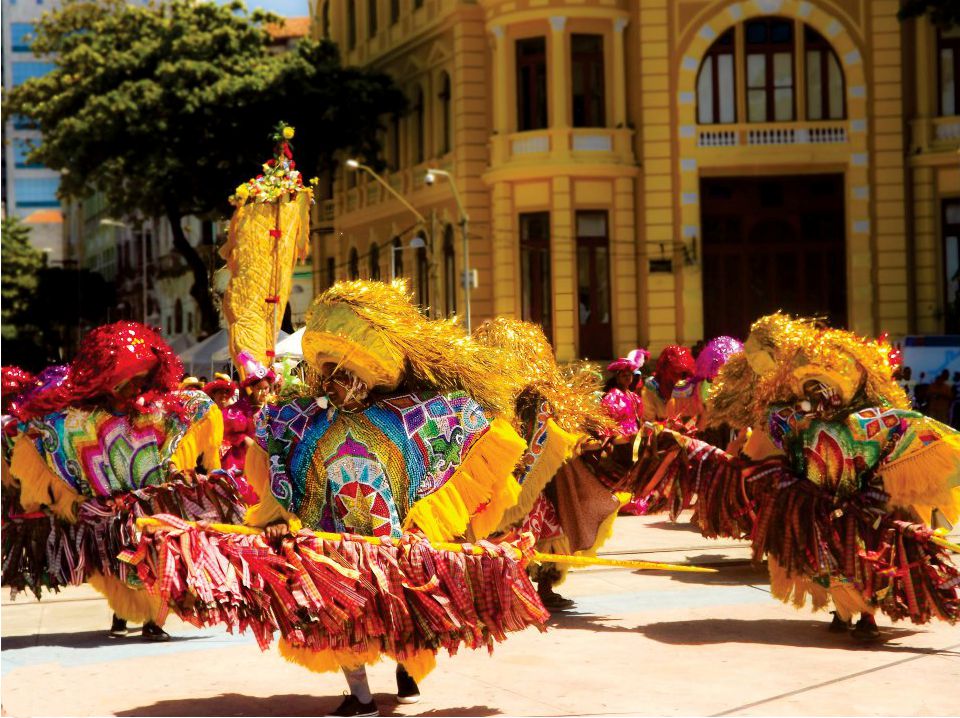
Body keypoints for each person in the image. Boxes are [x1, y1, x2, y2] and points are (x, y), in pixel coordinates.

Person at [238, 280, 535, 717]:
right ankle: (360, 700)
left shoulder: (405, 417)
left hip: (393, 546)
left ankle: (407, 673)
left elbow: (470, 424)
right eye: (329, 372)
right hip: (334, 551)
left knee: (403, 619)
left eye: (344, 373)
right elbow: (282, 475)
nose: (332, 382)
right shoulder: (305, 424)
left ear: (365, 377)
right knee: (341, 624)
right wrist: (279, 521)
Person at [641, 314, 960, 641]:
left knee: (864, 556)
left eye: (824, 388)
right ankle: (845, 611)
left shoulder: (865, 421)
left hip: (861, 505)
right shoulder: (783, 418)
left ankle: (865, 617)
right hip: (818, 506)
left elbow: (913, 435)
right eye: (813, 389)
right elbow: (754, 459)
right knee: (831, 561)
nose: (820, 396)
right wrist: (699, 452)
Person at [7, 322, 243, 640]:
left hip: (152, 508)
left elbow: (197, 410)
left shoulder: (158, 415)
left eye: (140, 379)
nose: (134, 387)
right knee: (120, 564)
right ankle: (124, 614)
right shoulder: (80, 424)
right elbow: (41, 437)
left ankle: (153, 621)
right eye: (126, 381)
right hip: (110, 512)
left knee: (155, 563)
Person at [475, 318, 621, 611]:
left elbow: (568, 436)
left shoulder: (544, 403)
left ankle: (542, 588)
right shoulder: (489, 404)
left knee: (550, 529)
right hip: (503, 484)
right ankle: (506, 589)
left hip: (541, 484)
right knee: (506, 533)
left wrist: (593, 444)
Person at [642, 345, 695, 422]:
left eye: (682, 373)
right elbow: (648, 422)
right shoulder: (651, 389)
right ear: (664, 371)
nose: (678, 378)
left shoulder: (688, 386)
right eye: (674, 373)